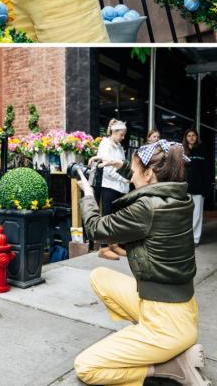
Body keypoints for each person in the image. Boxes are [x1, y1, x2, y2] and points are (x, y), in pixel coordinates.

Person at [73, 141, 207, 386]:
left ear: (149, 173)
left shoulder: (146, 208)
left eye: (134, 173)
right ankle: (159, 346)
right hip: (181, 309)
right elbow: (150, 183)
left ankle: (167, 366)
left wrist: (89, 195)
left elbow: (95, 228)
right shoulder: (181, 197)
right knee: (100, 276)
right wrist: (120, 165)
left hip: (167, 324)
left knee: (86, 367)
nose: (132, 178)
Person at [89, 119, 131, 260]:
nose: (123, 137)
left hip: (120, 188)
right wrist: (125, 179)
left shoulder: (118, 146)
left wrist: (124, 180)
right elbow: (107, 169)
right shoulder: (105, 144)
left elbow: (121, 165)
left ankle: (114, 244)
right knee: (107, 218)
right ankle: (104, 248)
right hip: (109, 187)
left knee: (117, 218)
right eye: (121, 134)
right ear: (113, 131)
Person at [183, 129, 212, 247]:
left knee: (197, 215)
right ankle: (185, 238)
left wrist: (207, 188)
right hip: (185, 188)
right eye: (189, 136)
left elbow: (206, 171)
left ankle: (195, 239)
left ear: (196, 137)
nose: (191, 137)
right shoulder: (182, 151)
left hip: (199, 188)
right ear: (185, 138)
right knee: (185, 214)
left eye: (193, 135)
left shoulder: (202, 151)